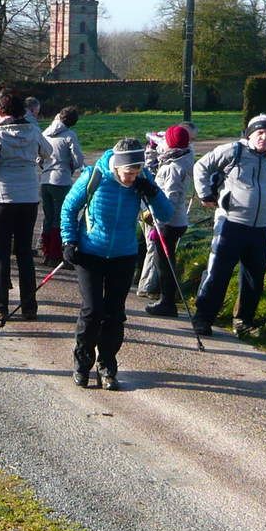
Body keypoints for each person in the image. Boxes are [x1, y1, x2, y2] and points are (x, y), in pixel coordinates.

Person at [61, 138, 173, 390]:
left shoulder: (142, 180)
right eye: (128, 172)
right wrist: (68, 240)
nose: (131, 177)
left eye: (136, 172)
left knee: (114, 314)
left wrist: (152, 192)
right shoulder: (95, 176)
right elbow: (68, 208)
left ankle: (107, 365)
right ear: (116, 167)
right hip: (90, 253)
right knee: (92, 311)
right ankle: (82, 363)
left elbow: (166, 214)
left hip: (123, 254)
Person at [190, 114, 266, 337]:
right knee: (218, 273)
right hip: (231, 223)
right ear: (250, 134)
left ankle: (243, 321)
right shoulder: (233, 151)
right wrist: (205, 194)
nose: (264, 137)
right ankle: (203, 318)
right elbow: (201, 166)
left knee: (254, 277)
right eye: (260, 132)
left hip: (261, 227)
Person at [0, 90, 53, 323]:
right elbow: (48, 152)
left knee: (1, 254)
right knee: (24, 253)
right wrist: (34, 160)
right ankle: (29, 306)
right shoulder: (33, 130)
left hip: (2, 198)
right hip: (29, 197)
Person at [138, 121, 199, 297]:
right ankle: (159, 292)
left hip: (168, 221)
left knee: (162, 260)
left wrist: (158, 218)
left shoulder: (174, 166)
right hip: (172, 219)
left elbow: (171, 198)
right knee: (162, 258)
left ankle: (160, 294)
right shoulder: (179, 156)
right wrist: (151, 148)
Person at [39, 106, 84, 267]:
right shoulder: (70, 136)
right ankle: (56, 254)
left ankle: (46, 252)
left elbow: (38, 156)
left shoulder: (45, 133)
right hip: (61, 180)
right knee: (61, 217)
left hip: (45, 180)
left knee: (48, 216)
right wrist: (71, 166)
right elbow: (78, 160)